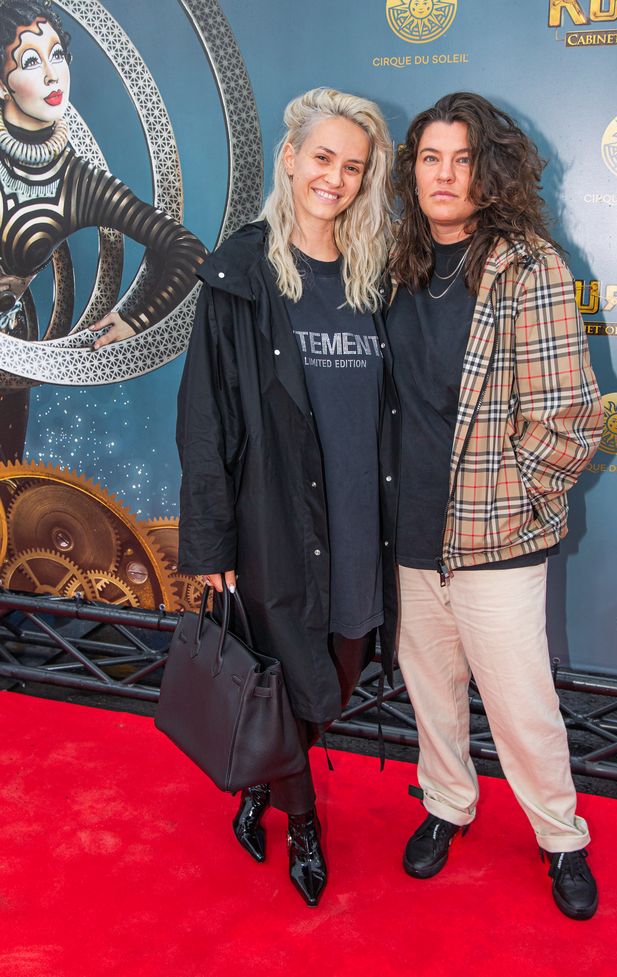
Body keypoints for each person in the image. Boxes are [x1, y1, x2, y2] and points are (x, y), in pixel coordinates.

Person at [176, 88, 398, 907]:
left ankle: (262, 782)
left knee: (334, 674)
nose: (333, 179)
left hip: (359, 524)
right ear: (290, 159)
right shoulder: (240, 272)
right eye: (322, 158)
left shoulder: (377, 272)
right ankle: (303, 822)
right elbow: (205, 417)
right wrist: (210, 544)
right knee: (287, 669)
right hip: (274, 520)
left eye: (353, 166)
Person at [387, 92, 603, 920]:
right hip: (406, 530)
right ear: (413, 171)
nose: (445, 175)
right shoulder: (396, 262)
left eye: (463, 159)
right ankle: (446, 803)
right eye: (430, 159)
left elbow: (572, 419)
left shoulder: (528, 265)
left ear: (490, 171)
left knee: (521, 707)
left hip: (496, 537)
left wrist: (515, 507)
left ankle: (561, 837)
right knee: (432, 693)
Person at [0, 0, 206, 461]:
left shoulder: (80, 182)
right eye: (31, 60)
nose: (54, 76)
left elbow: (187, 250)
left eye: (57, 54)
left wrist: (138, 319)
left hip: (6, 374)